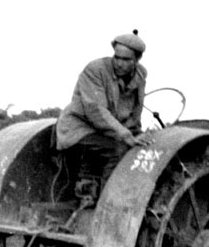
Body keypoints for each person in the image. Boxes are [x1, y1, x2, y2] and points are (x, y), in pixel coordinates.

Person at [55, 30, 152, 198]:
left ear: (137, 59)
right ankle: (109, 203)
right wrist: (125, 134)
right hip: (80, 128)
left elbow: (136, 107)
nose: (119, 64)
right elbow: (96, 111)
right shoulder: (95, 70)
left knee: (139, 148)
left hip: (107, 131)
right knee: (119, 149)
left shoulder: (140, 74)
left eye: (126, 59)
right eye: (117, 57)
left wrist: (137, 133)